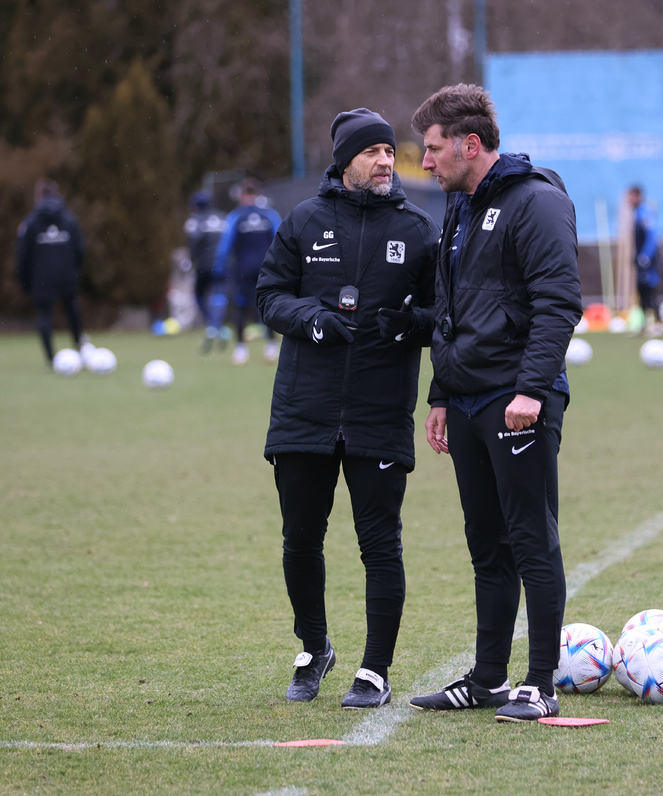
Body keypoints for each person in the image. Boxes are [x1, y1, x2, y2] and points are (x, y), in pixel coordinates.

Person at [407, 84, 582, 722]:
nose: (424, 162)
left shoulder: (536, 201)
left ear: (469, 144)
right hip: (469, 399)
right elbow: (451, 309)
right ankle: (485, 679)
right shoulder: (458, 207)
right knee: (486, 543)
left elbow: (559, 304)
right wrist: (440, 393)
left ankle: (540, 682)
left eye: (432, 149)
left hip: (519, 400)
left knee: (531, 538)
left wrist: (531, 390)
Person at [256, 108, 439, 709]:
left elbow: (443, 316)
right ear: (344, 161)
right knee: (300, 539)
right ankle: (314, 648)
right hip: (304, 411)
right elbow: (269, 297)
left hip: (379, 413)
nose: (386, 161)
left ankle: (375, 671)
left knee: (380, 546)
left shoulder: (417, 229)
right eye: (373, 152)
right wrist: (312, 321)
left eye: (390, 151)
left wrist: (405, 323)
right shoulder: (304, 221)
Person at [16, 180, 87, 366]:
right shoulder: (70, 218)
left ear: (38, 197)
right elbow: (80, 250)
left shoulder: (30, 222)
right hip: (67, 274)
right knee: (72, 308)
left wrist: (25, 282)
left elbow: (22, 256)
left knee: (44, 313)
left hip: (42, 278)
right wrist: (74, 270)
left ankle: (50, 358)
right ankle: (80, 347)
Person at [213, 178, 282, 364]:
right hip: (266, 269)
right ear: (257, 194)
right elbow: (281, 240)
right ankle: (271, 347)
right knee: (267, 305)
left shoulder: (236, 216)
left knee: (241, 307)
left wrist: (218, 269)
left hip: (243, 270)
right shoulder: (270, 215)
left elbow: (224, 246)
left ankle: (241, 350)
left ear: (242, 194)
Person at [183, 191, 231, 351]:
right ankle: (216, 326)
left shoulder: (194, 221)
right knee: (219, 294)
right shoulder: (224, 218)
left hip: (203, 265)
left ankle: (213, 326)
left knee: (198, 295)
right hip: (223, 265)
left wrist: (191, 261)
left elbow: (194, 244)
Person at [627, 186, 661, 334]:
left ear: (638, 196)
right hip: (642, 259)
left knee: (649, 291)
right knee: (641, 290)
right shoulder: (636, 213)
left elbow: (652, 237)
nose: (629, 200)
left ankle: (658, 324)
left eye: (631, 196)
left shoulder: (644, 213)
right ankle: (644, 325)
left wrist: (645, 256)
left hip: (648, 261)